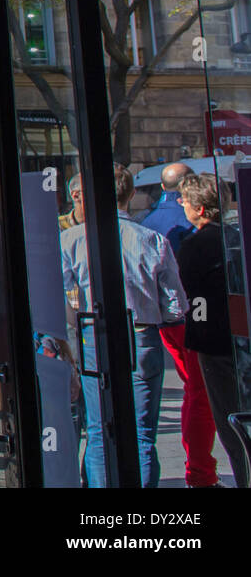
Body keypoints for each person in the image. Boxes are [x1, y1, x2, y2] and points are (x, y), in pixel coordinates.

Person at [61, 166, 187, 488]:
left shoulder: (72, 240)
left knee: (100, 431)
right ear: (131, 194)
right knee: (142, 434)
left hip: (93, 333)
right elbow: (175, 306)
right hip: (142, 332)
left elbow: (60, 297)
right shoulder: (151, 240)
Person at [137, 162, 217, 489]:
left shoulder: (149, 222)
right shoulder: (190, 232)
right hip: (194, 318)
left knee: (193, 391)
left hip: (170, 320)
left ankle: (198, 470)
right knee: (200, 393)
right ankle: (199, 472)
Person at [175, 174, 248, 488]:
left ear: (200, 209)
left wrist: (199, 323)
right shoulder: (237, 237)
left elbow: (193, 298)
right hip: (240, 335)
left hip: (215, 344)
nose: (182, 205)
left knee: (228, 418)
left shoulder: (193, 245)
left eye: (186, 201)